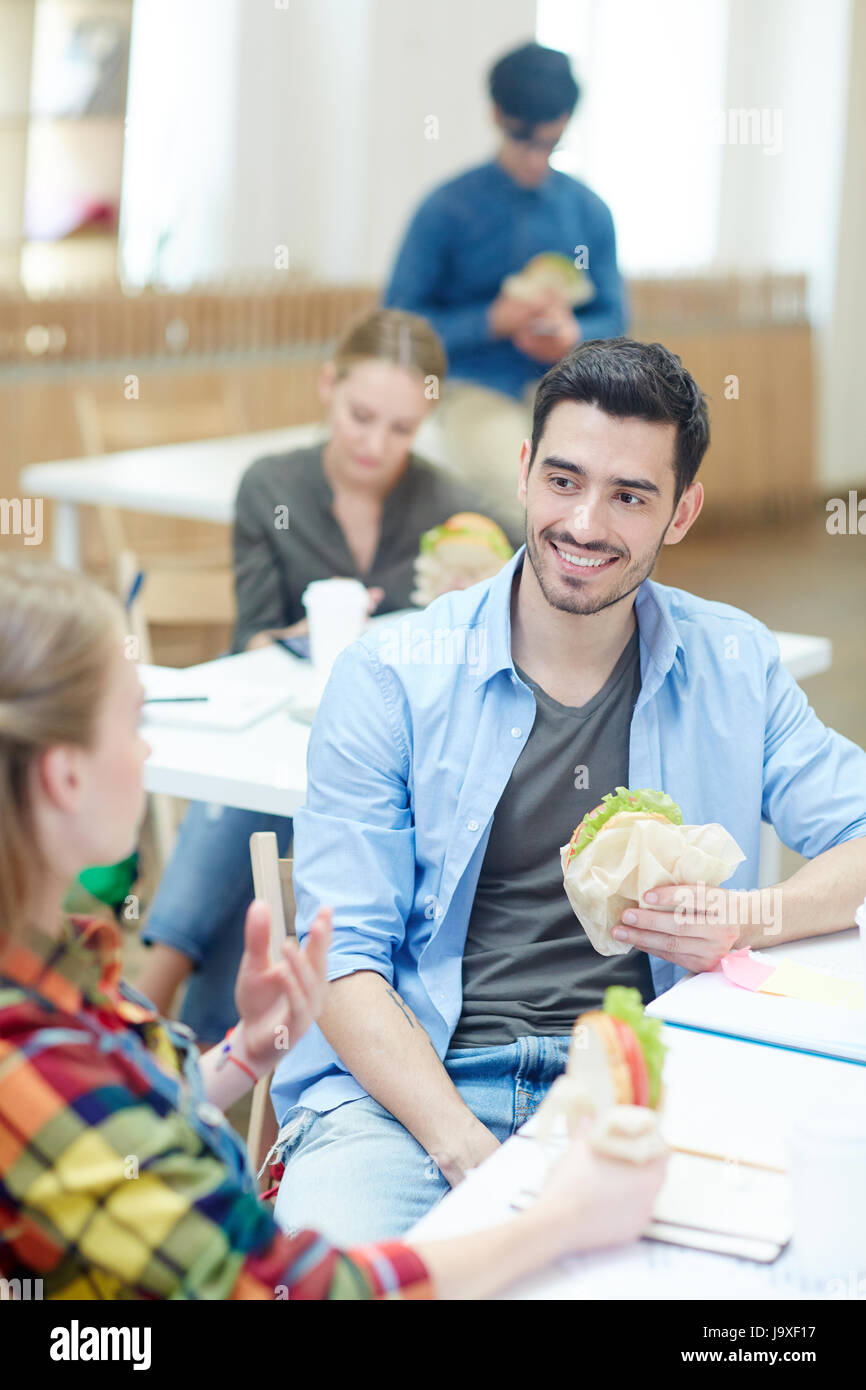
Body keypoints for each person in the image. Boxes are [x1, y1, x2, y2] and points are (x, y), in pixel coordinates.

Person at [272, 337, 866, 1246]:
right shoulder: (390, 675)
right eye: (564, 480)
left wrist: (750, 916)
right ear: (522, 472)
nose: (586, 523)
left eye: (630, 496)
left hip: (644, 1081)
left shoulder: (733, 663)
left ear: (682, 511)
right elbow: (343, 963)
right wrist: (473, 1154)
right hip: (409, 1096)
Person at [0, 558, 666, 1300]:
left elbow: (125, 1101)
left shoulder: (49, 965)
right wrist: (559, 1219)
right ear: (64, 778)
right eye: (133, 723)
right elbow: (286, 1290)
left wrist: (246, 1051)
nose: (148, 750)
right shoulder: (27, 1059)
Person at [138, 309, 516, 1042]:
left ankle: (149, 1005)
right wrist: (301, 637)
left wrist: (460, 613)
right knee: (250, 806)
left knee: (268, 808)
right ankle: (186, 1024)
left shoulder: (455, 509)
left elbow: (511, 609)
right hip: (288, 727)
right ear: (327, 388)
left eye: (402, 428)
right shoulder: (271, 487)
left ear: (429, 419)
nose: (376, 444)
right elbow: (253, 636)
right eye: (361, 416)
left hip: (389, 757)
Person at [384, 41, 626, 533]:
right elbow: (397, 325)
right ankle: (538, 608)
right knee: (531, 498)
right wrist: (491, 322)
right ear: (496, 115)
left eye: (551, 145)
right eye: (524, 141)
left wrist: (572, 334)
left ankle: (615, 610)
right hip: (475, 390)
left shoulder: (588, 211)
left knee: (620, 497)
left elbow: (615, 316)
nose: (536, 160)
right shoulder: (447, 209)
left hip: (566, 389)